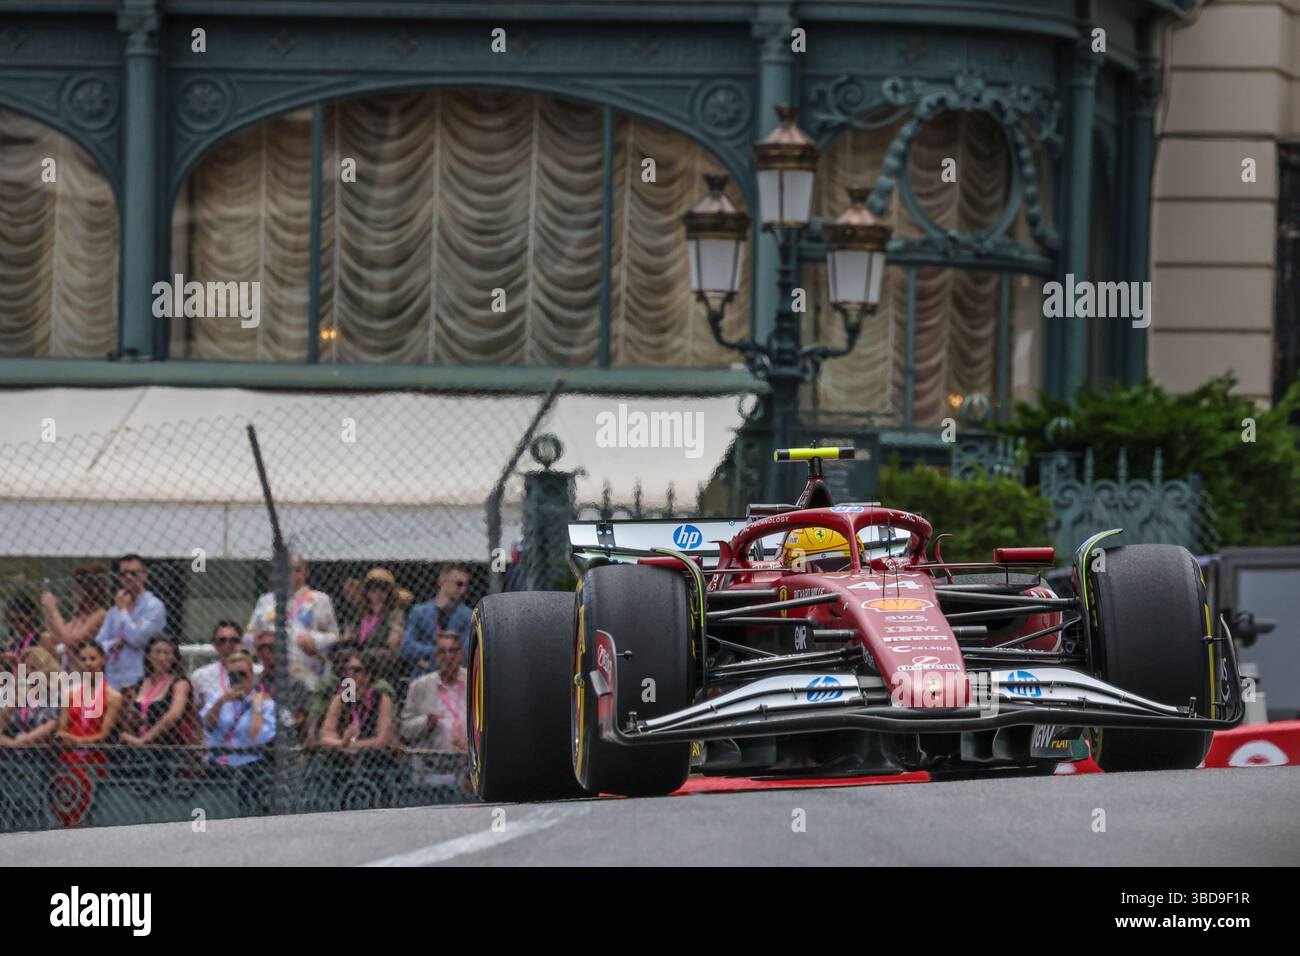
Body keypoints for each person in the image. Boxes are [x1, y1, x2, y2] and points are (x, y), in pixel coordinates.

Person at [52, 641, 123, 827]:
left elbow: (104, 734)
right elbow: (63, 727)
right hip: (68, 758)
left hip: (93, 758)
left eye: (93, 658)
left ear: (103, 661)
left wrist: (76, 740)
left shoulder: (112, 696)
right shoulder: (70, 694)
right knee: (64, 808)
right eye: (83, 659)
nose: (88, 663)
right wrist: (63, 737)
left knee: (86, 813)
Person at [243, 554, 339, 691]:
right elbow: (248, 637)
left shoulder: (320, 599)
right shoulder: (266, 601)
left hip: (307, 676)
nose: (291, 574)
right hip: (273, 675)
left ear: (306, 573)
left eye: (297, 570)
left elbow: (335, 638)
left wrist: (315, 641)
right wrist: (262, 640)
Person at [399, 632, 468, 789]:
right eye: (442, 652)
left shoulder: (476, 681)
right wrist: (425, 723)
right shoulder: (420, 686)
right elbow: (405, 728)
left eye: (453, 651)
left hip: (470, 767)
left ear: (461, 655)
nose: (448, 656)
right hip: (432, 769)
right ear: (436, 656)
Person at [92, 554, 166, 691]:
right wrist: (113, 644)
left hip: (140, 677)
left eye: (134, 573)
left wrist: (123, 612)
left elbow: (137, 638)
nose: (128, 577)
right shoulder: (113, 611)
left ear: (145, 575)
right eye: (123, 574)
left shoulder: (154, 606)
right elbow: (98, 644)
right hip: (112, 678)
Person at [200, 650, 275, 768]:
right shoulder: (218, 698)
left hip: (250, 765)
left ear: (252, 675)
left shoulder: (265, 703)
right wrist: (221, 702)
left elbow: (259, 737)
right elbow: (207, 725)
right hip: (218, 764)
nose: (238, 679)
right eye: (233, 675)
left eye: (242, 674)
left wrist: (257, 709)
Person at [318, 649, 396, 757]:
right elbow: (325, 735)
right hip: (342, 759)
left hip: (371, 758)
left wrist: (351, 744)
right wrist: (342, 742)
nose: (351, 673)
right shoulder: (341, 699)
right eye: (348, 669)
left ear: (368, 674)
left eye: (356, 670)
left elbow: (381, 740)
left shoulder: (382, 699)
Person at [401, 563, 472, 680]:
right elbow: (407, 647)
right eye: (459, 584)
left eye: (466, 585)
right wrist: (439, 651)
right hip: (422, 678)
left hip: (454, 679)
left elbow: (465, 653)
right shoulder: (419, 612)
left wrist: (426, 662)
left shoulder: (469, 616)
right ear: (442, 581)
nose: (463, 590)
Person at [121, 637, 194, 748]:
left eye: (167, 653)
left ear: (174, 657)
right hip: (136, 747)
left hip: (166, 747)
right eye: (157, 652)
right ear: (148, 656)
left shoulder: (179, 683)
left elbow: (174, 715)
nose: (162, 657)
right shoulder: (141, 682)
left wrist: (144, 740)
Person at [340, 567, 408, 684]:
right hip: (354, 672)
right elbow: (347, 640)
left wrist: (364, 657)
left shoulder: (395, 615)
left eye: (382, 588)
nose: (377, 592)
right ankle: (348, 700)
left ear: (389, 593)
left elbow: (393, 648)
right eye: (372, 588)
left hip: (379, 674)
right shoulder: (360, 617)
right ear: (366, 591)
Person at [41, 563, 111, 672]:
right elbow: (57, 635)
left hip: (85, 672)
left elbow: (71, 641)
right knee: (45, 637)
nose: (74, 588)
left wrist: (54, 611)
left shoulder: (100, 614)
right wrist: (48, 610)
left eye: (78, 584)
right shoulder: (79, 612)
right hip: (70, 668)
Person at [189, 620, 262, 713]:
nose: (228, 645)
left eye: (234, 640)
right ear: (215, 645)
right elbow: (196, 711)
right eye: (222, 641)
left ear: (241, 643)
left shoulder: (258, 672)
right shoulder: (201, 675)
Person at [252, 631, 309, 747]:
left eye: (272, 647)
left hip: (287, 743)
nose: (266, 652)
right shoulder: (255, 683)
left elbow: (297, 719)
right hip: (257, 743)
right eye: (262, 648)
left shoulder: (295, 684)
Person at [0, 646, 62, 749]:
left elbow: (50, 726)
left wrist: (17, 743)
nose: (28, 672)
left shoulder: (54, 694)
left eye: (33, 668)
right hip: (10, 753)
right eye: (26, 667)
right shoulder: (19, 690)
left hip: (39, 755)